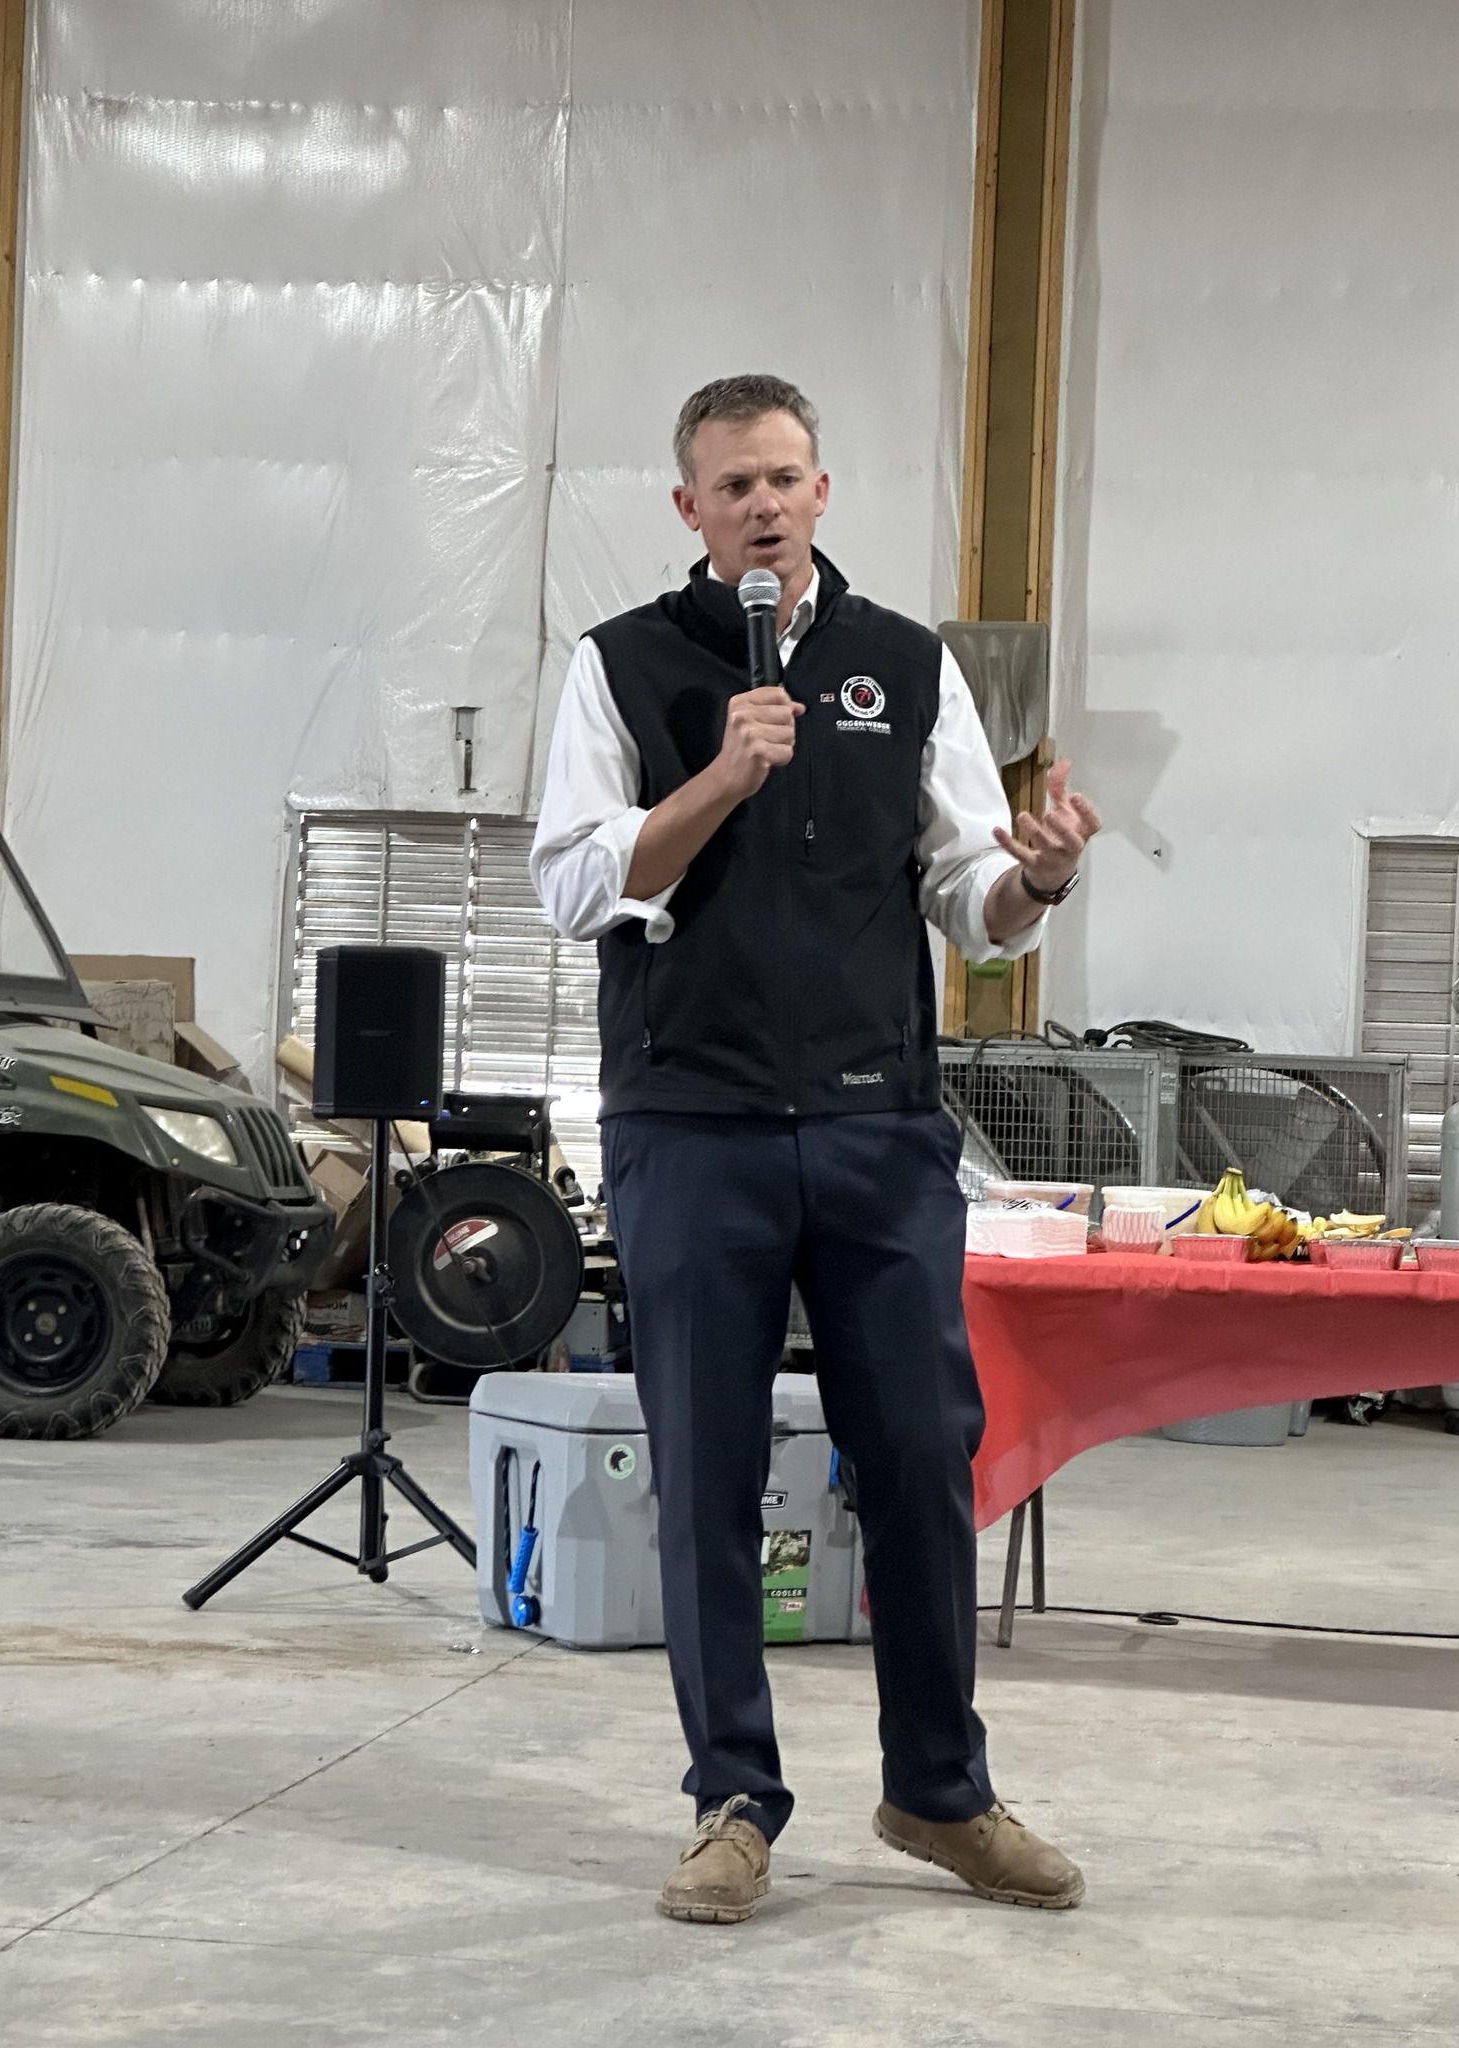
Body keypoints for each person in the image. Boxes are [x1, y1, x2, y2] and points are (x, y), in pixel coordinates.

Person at [530, 373, 1101, 1925]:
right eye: (733, 486)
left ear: (824, 490)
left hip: (874, 1128)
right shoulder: (620, 669)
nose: (763, 506)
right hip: (689, 1128)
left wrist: (1035, 886)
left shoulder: (905, 669)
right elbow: (575, 885)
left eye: (786, 477)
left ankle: (940, 1789)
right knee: (707, 1468)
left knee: (921, 1452)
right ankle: (733, 1798)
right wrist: (720, 773)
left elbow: (967, 898)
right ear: (690, 509)